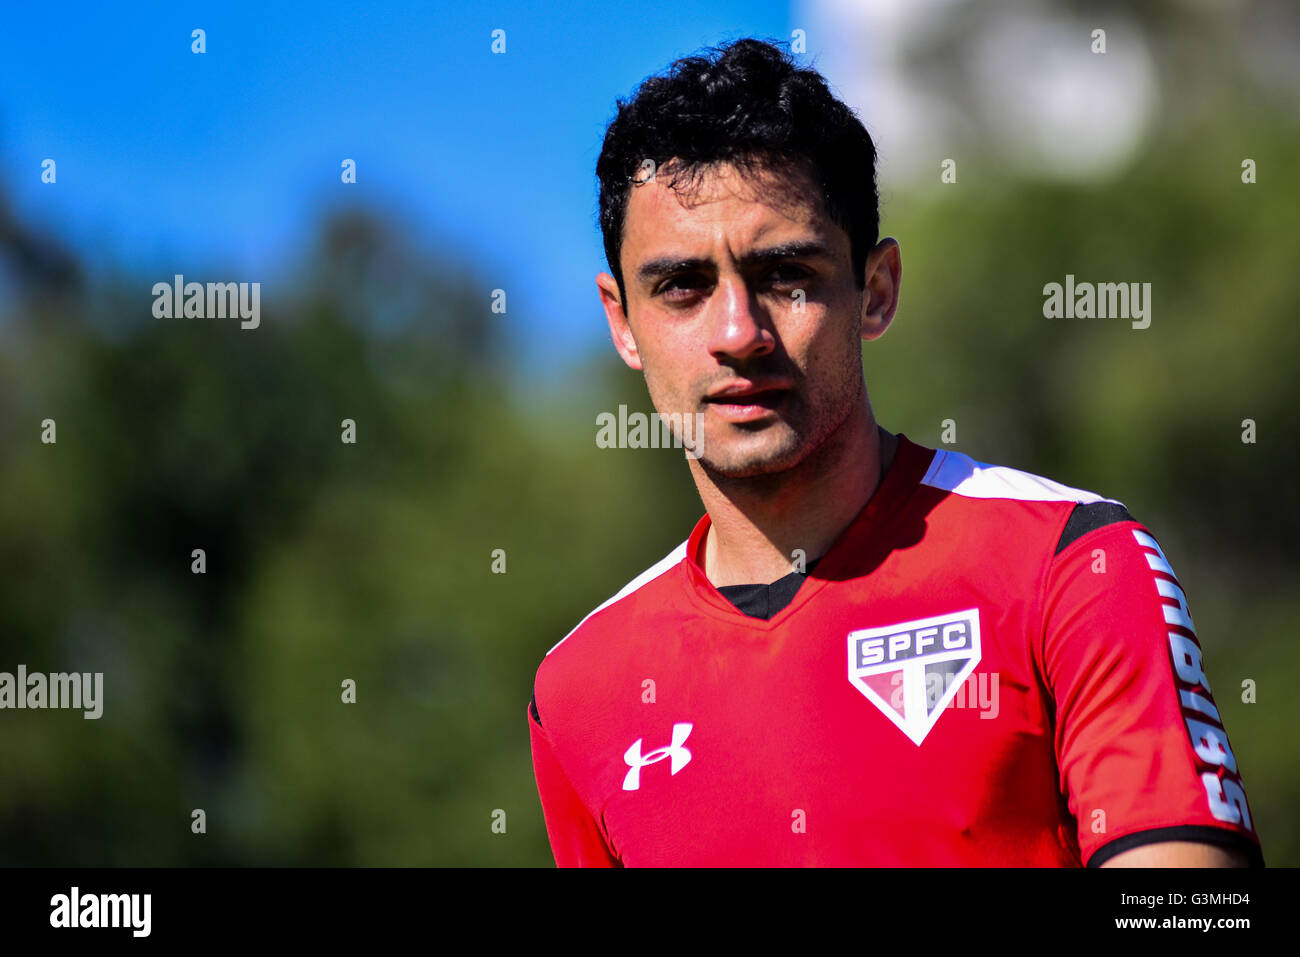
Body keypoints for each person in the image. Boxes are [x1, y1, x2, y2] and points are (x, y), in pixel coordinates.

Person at [527, 37, 1262, 867]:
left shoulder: (1072, 559)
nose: (738, 334)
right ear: (622, 321)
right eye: (682, 288)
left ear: (875, 291)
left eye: (786, 275)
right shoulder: (579, 688)